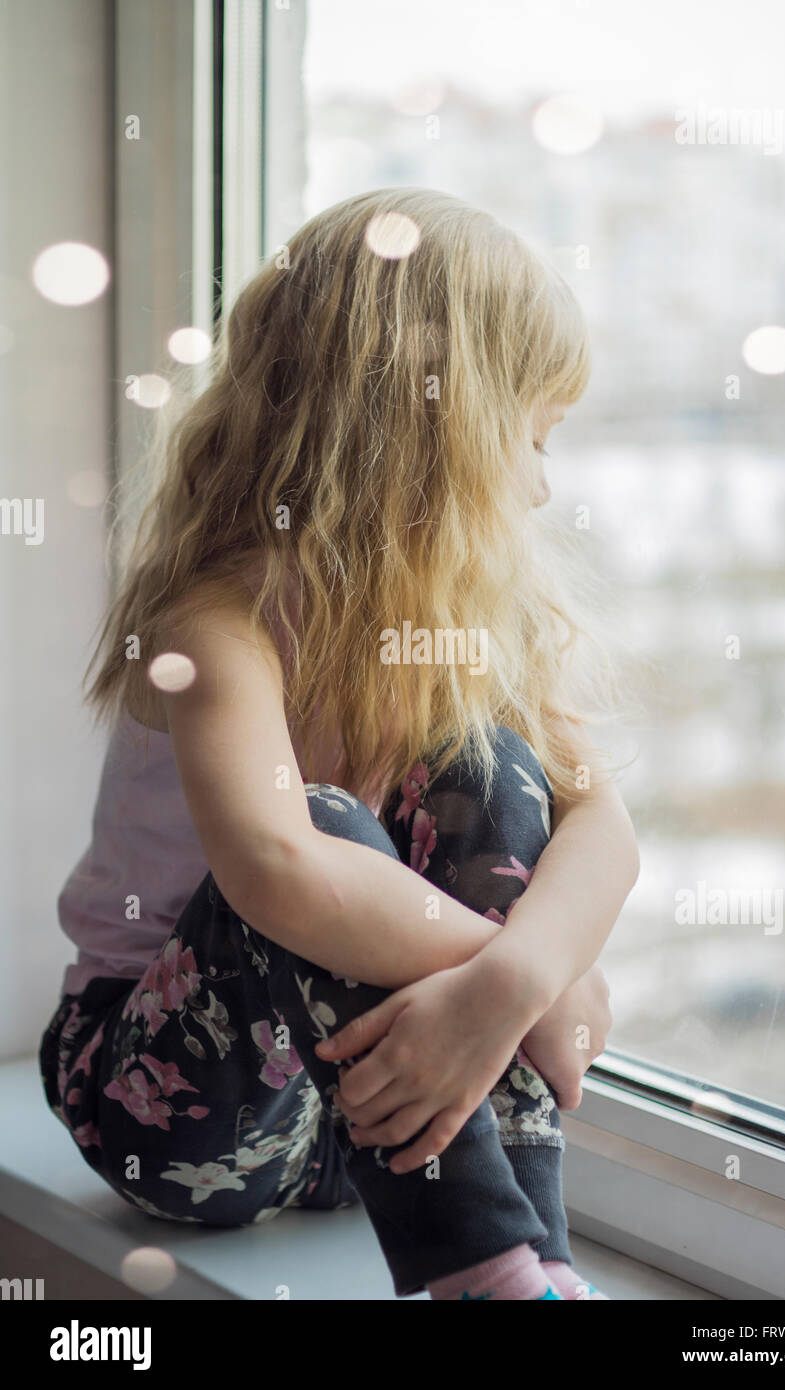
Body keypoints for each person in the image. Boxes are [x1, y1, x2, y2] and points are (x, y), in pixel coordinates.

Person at [39, 187, 640, 1301]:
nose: (542, 484)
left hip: (377, 1104)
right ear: (441, 433)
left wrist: (524, 972)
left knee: (491, 769)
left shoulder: (471, 621)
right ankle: (486, 1276)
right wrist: (521, 979)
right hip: (174, 1114)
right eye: (531, 439)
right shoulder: (215, 625)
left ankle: (537, 1257)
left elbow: (602, 822)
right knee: (320, 824)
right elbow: (278, 865)